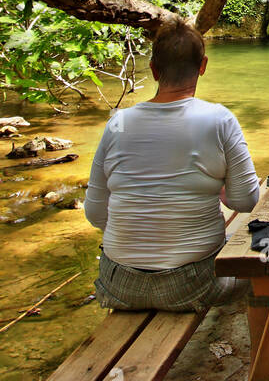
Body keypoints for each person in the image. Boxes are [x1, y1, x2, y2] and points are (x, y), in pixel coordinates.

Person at [85, 19, 259, 313]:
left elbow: (95, 213)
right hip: (192, 282)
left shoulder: (118, 123)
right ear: (202, 66)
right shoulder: (219, 120)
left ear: (153, 70)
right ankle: (265, 357)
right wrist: (220, 192)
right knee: (267, 272)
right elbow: (246, 200)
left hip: (119, 283)